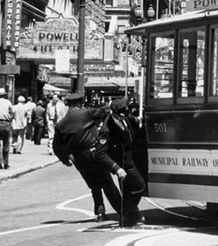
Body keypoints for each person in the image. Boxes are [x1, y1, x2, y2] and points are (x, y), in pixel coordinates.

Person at [53, 92, 122, 222]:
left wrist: (65, 160)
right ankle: (123, 212)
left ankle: (100, 212)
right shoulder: (86, 113)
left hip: (79, 159)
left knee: (94, 186)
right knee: (107, 183)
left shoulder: (60, 124)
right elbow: (105, 110)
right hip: (94, 154)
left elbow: (56, 147)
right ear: (80, 103)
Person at [100, 98, 147, 227]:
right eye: (119, 116)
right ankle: (126, 212)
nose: (122, 118)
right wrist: (116, 169)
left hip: (132, 158)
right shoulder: (106, 129)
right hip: (123, 164)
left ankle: (130, 217)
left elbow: (135, 123)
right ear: (113, 112)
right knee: (140, 186)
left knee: (127, 192)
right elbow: (101, 153)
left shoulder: (125, 117)